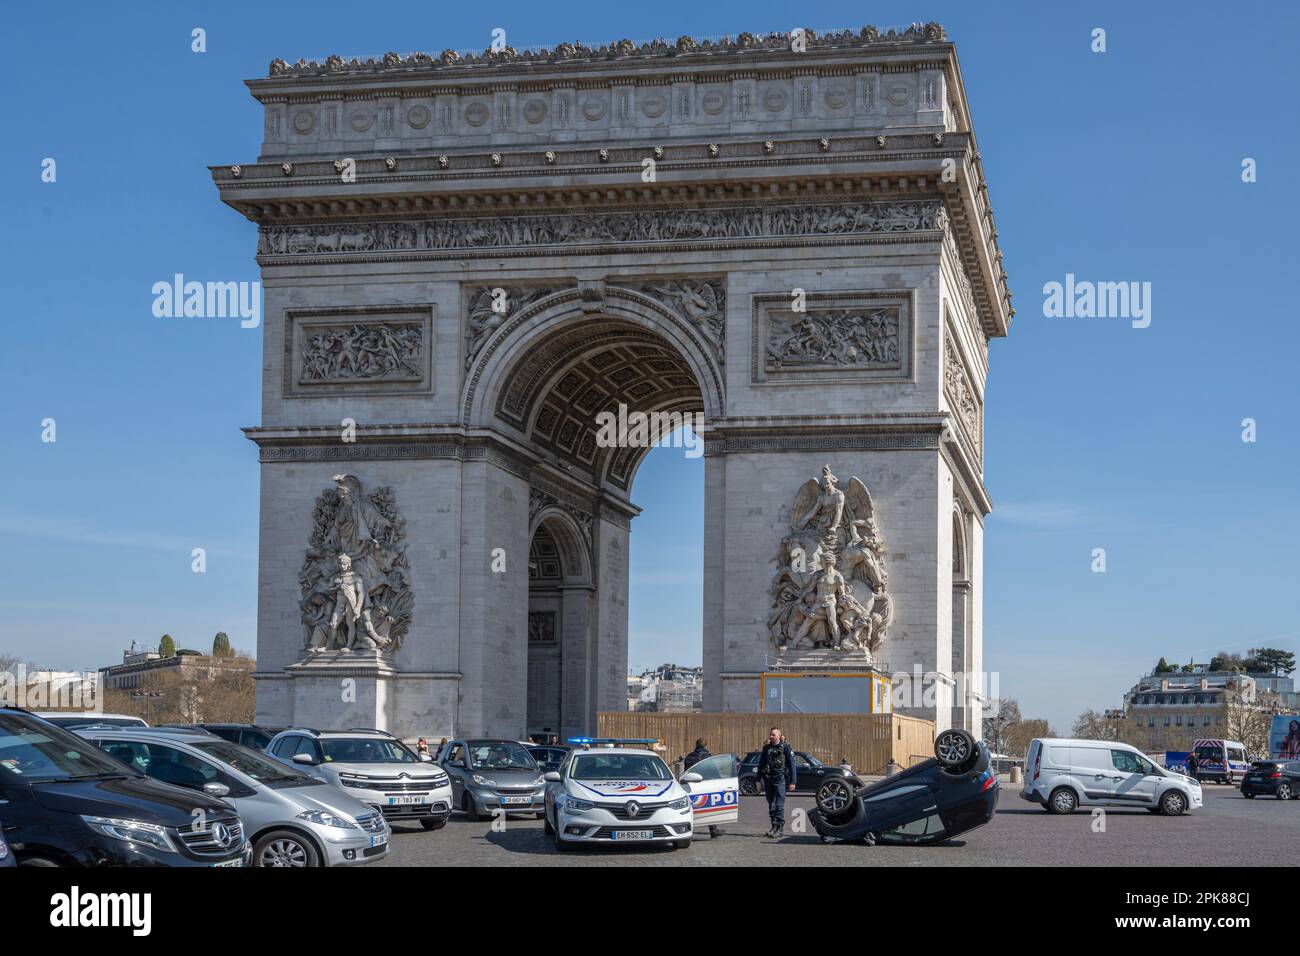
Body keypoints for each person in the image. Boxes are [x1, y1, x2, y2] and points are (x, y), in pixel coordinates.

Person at [755, 727, 797, 838]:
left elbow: (792, 765)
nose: (771, 736)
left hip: (780, 779)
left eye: (773, 734)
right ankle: (773, 827)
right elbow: (761, 764)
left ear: (779, 735)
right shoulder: (766, 748)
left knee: (779, 804)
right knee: (771, 804)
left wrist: (793, 781)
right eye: (770, 734)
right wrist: (758, 780)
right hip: (768, 779)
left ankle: (780, 828)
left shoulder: (786, 748)